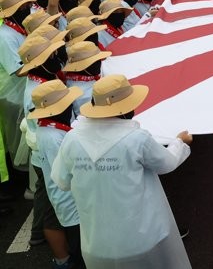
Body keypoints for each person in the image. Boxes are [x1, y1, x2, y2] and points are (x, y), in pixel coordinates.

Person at [52, 74, 194, 268]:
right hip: (143, 239)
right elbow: (167, 163)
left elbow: (61, 181)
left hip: (97, 245)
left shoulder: (72, 138)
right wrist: (179, 142)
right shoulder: (136, 139)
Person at [27, 80, 84, 269]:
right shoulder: (53, 136)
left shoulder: (49, 128)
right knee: (79, 245)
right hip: (69, 200)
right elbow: (68, 171)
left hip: (66, 197)